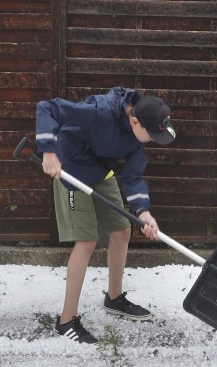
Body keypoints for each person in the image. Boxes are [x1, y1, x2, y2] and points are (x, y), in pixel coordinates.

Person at [35, 87, 176, 344]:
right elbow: (48, 107)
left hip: (100, 171)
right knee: (87, 241)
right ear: (135, 121)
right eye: (152, 134)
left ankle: (114, 298)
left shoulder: (136, 136)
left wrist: (143, 212)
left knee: (123, 230)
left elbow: (133, 176)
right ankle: (66, 320)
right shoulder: (99, 112)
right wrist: (48, 150)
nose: (153, 139)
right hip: (72, 171)